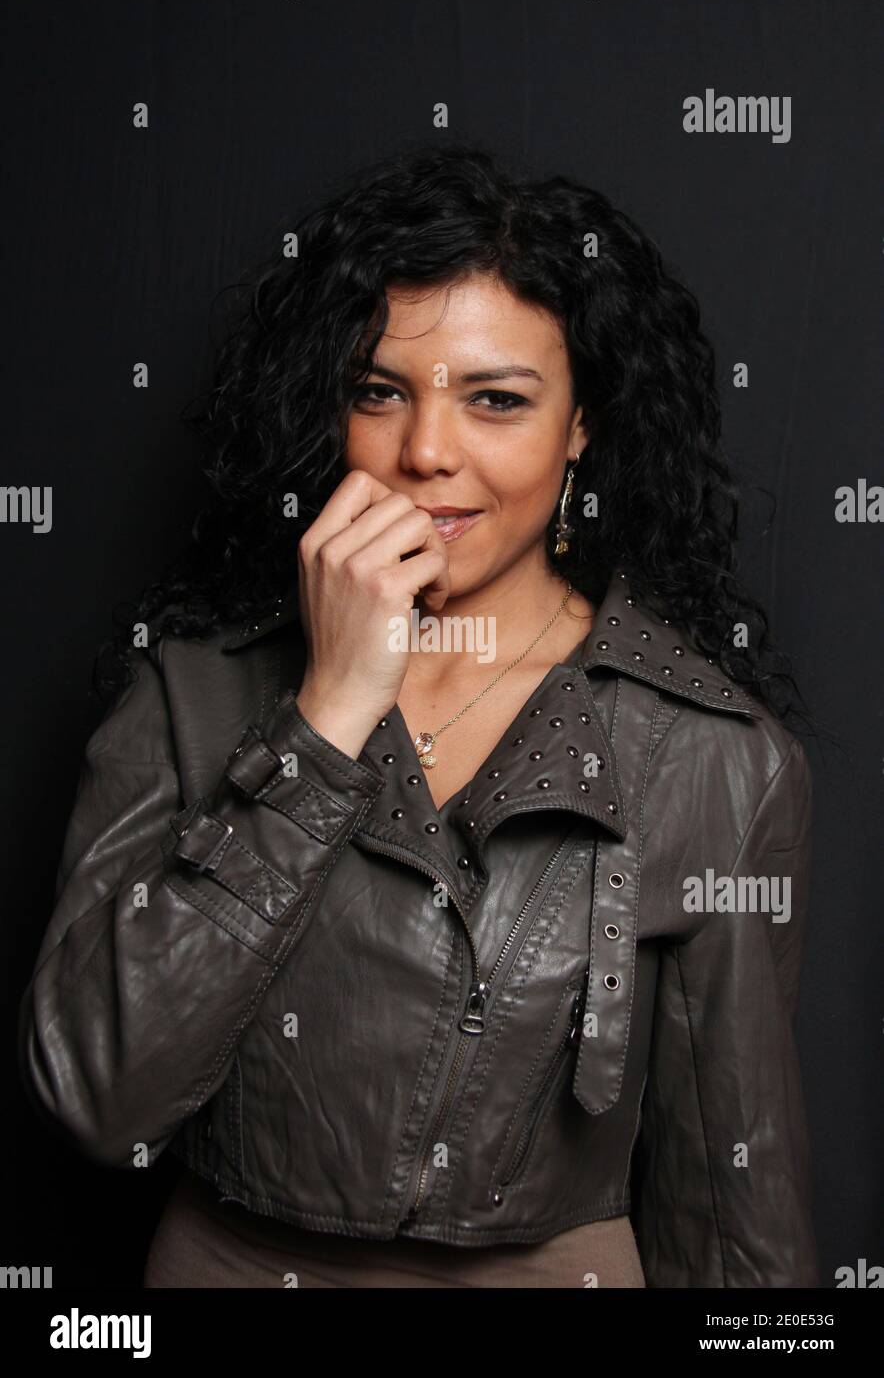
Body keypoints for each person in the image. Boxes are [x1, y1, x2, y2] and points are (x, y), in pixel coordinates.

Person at [19, 144, 819, 1288]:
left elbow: (734, 1208)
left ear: (580, 427)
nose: (426, 451)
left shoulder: (715, 759)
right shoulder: (191, 699)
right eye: (378, 391)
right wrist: (324, 715)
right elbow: (99, 1095)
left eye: (495, 399)